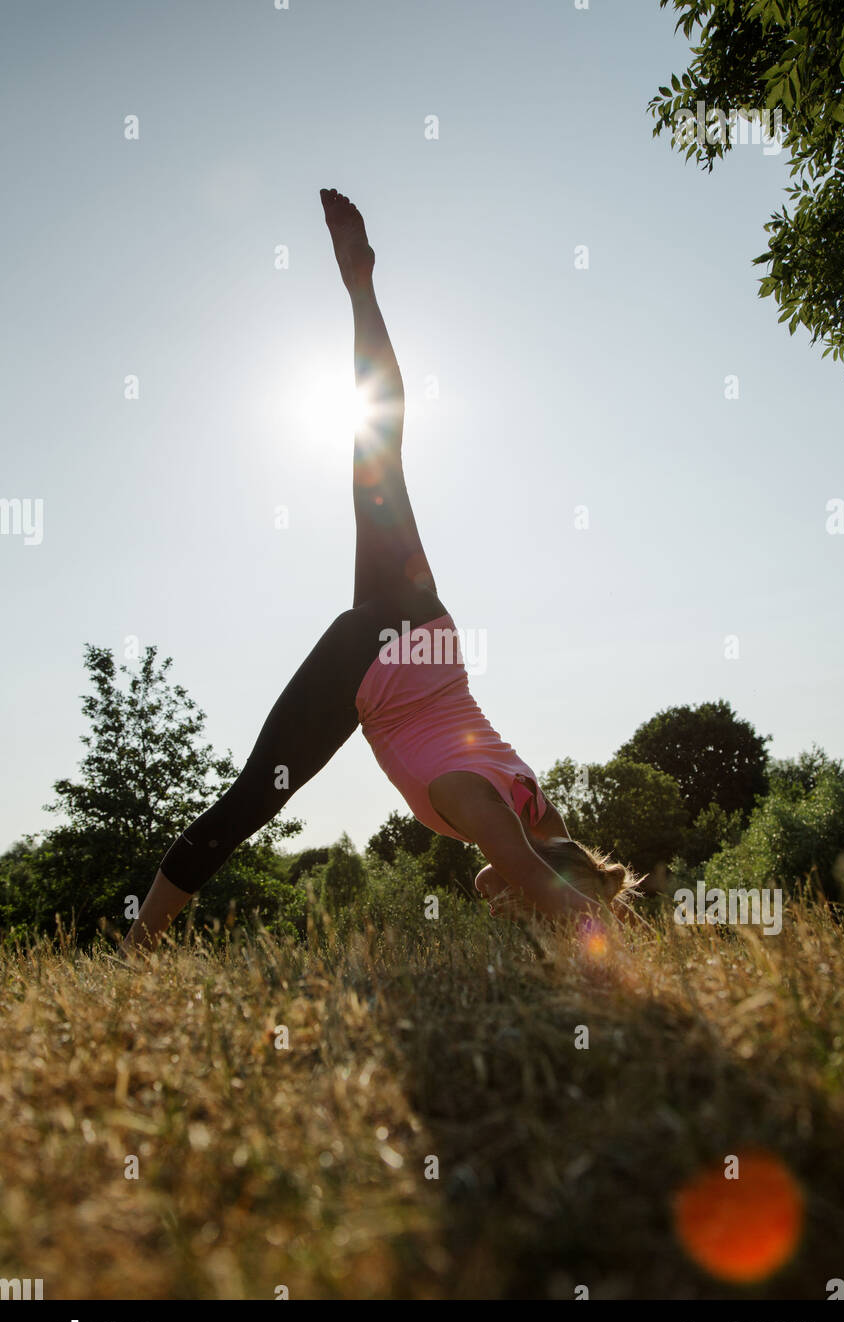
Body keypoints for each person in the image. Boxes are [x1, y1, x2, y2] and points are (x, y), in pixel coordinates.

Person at [123, 189, 639, 953]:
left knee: (381, 453)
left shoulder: (541, 816)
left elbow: (532, 872)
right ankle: (139, 947)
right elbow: (530, 882)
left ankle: (361, 288)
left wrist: (584, 895)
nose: (504, 905)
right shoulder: (493, 819)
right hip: (378, 670)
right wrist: (607, 942)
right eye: (531, 910)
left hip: (430, 634)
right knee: (250, 801)